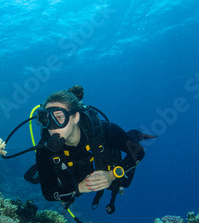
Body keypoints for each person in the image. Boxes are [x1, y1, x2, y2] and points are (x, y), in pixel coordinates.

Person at [30, 86, 149, 214]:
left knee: (124, 182)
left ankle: (132, 135)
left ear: (76, 117)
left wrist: (113, 174)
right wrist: (79, 188)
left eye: (59, 117)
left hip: (109, 166)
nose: (52, 128)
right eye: (46, 119)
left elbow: (139, 151)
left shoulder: (105, 130)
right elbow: (49, 193)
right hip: (76, 177)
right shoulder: (45, 148)